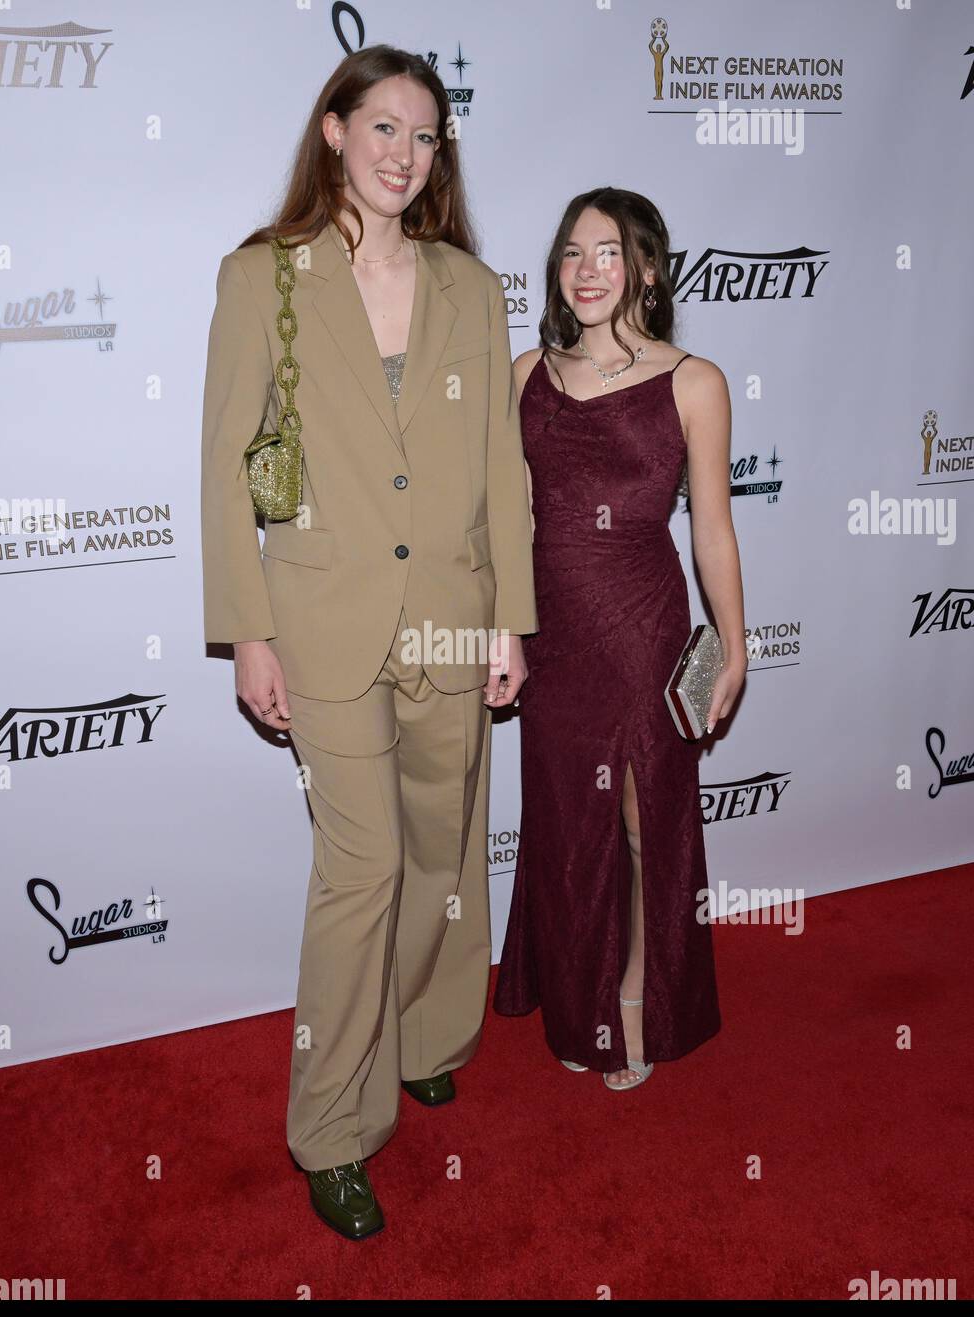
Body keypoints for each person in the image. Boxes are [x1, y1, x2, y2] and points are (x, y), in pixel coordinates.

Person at [200, 45, 537, 1240]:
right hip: (323, 617)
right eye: (383, 127)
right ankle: (331, 1127)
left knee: (444, 856)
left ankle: (429, 1035)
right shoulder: (265, 278)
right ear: (334, 131)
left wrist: (509, 614)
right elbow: (226, 467)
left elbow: (501, 463)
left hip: (452, 609)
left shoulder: (471, 287)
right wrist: (247, 631)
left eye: (426, 135)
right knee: (365, 873)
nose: (404, 153)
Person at [493, 189, 746, 1090]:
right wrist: (503, 630)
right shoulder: (525, 373)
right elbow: (503, 516)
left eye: (607, 253)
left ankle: (635, 993)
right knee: (567, 823)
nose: (586, 270)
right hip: (552, 633)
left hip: (643, 629)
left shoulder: (693, 381)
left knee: (644, 822)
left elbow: (711, 528)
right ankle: (577, 999)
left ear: (646, 268)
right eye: (571, 254)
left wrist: (735, 643)